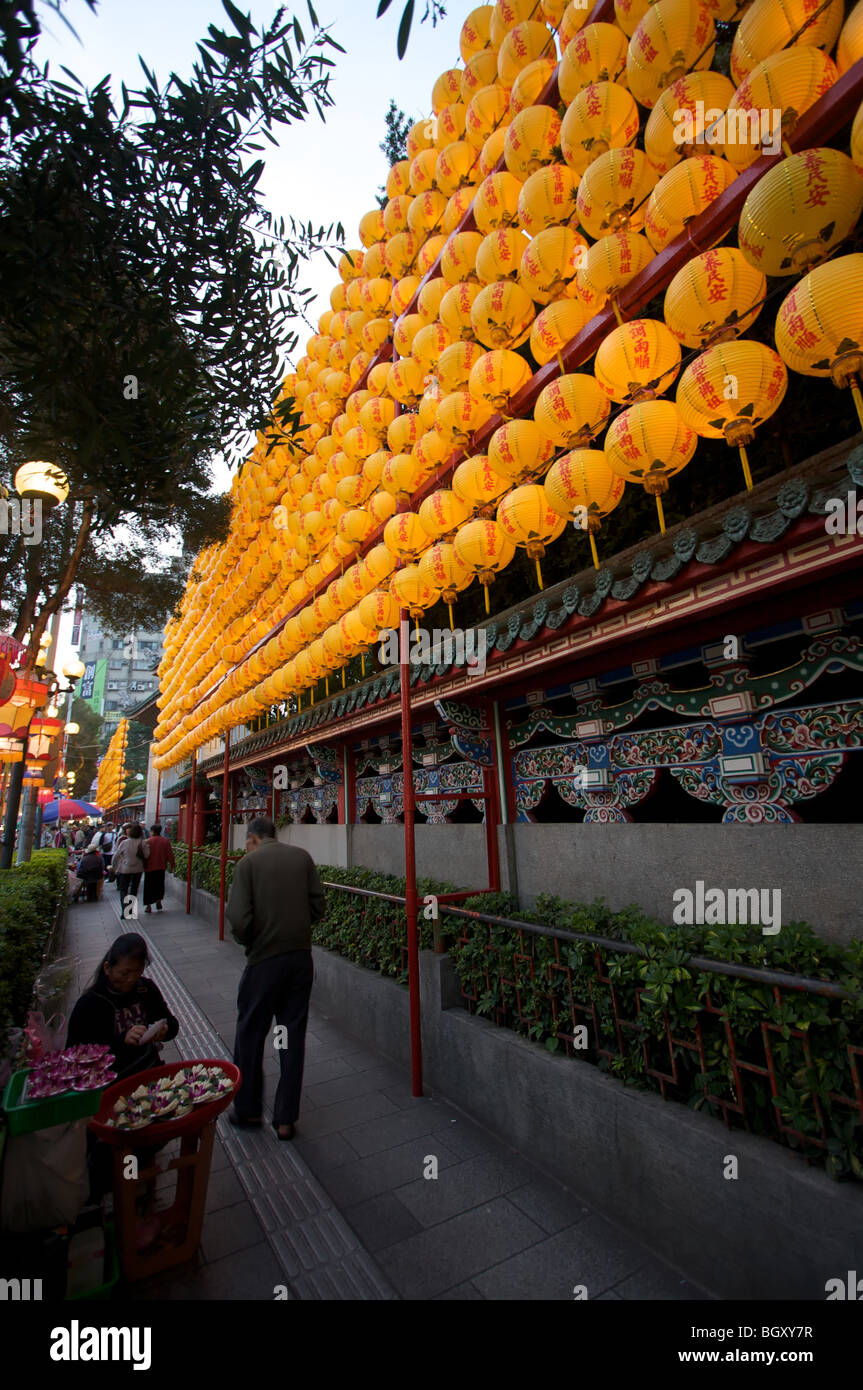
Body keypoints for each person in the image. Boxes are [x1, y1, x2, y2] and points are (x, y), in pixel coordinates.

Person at [226, 815, 325, 1141]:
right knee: (291, 1036)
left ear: (253, 838)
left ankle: (248, 1109)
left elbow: (239, 919)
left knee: (250, 1034)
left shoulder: (248, 864)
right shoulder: (302, 858)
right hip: (300, 961)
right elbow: (318, 907)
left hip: (263, 962)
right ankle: (285, 1120)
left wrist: (253, 940)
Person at [66, 934, 180, 1205]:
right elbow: (75, 1059)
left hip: (150, 1082)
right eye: (124, 973)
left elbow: (173, 1026)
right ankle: (108, 1195)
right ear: (107, 968)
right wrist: (120, 1042)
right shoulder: (90, 1004)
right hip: (112, 1094)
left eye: (137, 972)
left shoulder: (146, 990)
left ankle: (133, 1187)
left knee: (165, 1125)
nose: (130, 979)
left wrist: (162, 1030)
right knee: (114, 1151)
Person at [111, 823, 149, 916]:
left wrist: (113, 866)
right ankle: (130, 910)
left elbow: (116, 855)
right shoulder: (143, 843)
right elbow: (147, 855)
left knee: (123, 889)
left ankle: (124, 910)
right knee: (134, 889)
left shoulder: (125, 842)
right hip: (138, 869)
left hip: (125, 868)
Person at [143, 824, 174, 914]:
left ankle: (148, 906)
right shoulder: (165, 841)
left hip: (149, 867)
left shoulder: (147, 841)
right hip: (161, 867)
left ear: (152, 831)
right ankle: (158, 901)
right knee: (159, 885)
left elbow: (144, 855)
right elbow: (170, 854)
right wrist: (172, 864)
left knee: (148, 886)